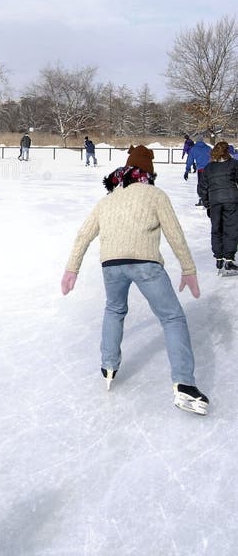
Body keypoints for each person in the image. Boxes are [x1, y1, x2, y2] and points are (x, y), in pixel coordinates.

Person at [60, 144, 209, 415]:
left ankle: (108, 366)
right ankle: (185, 385)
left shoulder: (108, 199)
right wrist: (188, 269)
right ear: (148, 172)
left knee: (114, 309)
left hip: (111, 265)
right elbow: (175, 233)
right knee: (173, 318)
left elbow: (84, 234)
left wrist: (72, 269)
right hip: (145, 263)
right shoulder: (155, 195)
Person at [199, 141, 238, 274]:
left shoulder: (209, 168)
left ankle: (219, 258)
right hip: (231, 201)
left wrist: (207, 203)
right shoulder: (234, 164)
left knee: (216, 229)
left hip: (215, 201)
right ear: (228, 151)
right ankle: (228, 260)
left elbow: (202, 187)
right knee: (230, 228)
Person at [184, 135, 212, 205]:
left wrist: (187, 171)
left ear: (196, 141)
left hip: (201, 170)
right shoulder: (208, 148)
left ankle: (201, 199)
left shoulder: (194, 149)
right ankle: (209, 199)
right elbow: (213, 158)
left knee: (201, 184)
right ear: (202, 140)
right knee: (209, 184)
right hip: (209, 169)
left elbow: (190, 160)